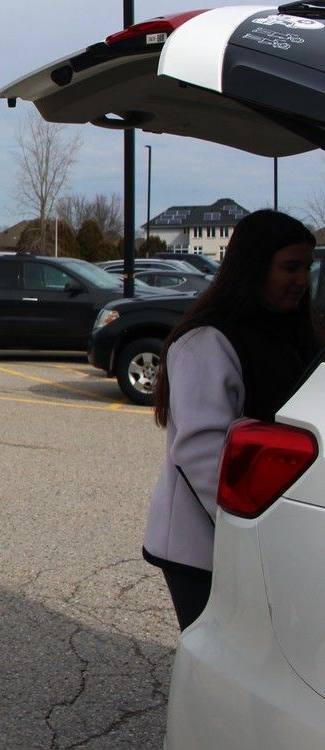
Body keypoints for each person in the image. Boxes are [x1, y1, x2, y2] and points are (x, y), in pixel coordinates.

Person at [143, 209, 323, 631]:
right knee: (223, 658)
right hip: (209, 546)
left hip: (273, 535)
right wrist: (257, 530)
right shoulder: (207, 341)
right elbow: (201, 452)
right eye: (290, 267)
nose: (302, 279)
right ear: (254, 266)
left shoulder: (296, 331)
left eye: (307, 267)